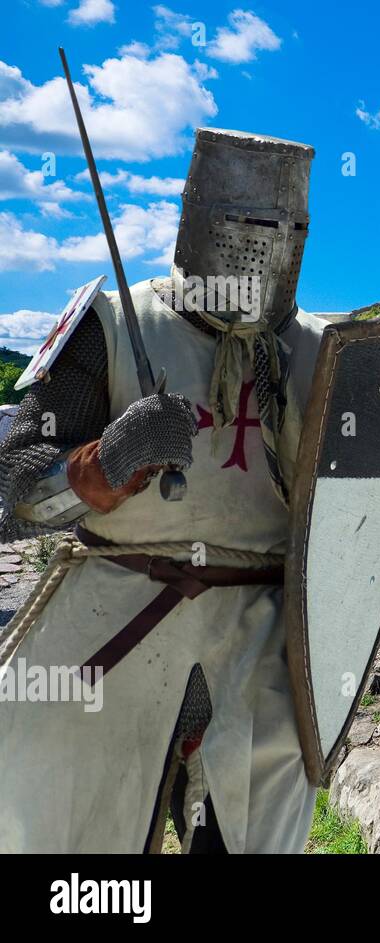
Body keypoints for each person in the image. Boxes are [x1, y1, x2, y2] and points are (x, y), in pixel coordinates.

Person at [0, 128, 327, 853]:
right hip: (116, 609)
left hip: (261, 633)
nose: (265, 245)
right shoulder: (115, 324)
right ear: (198, 216)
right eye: (246, 223)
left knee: (253, 822)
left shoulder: (321, 350)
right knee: (76, 832)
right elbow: (14, 487)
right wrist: (99, 468)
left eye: (288, 229)